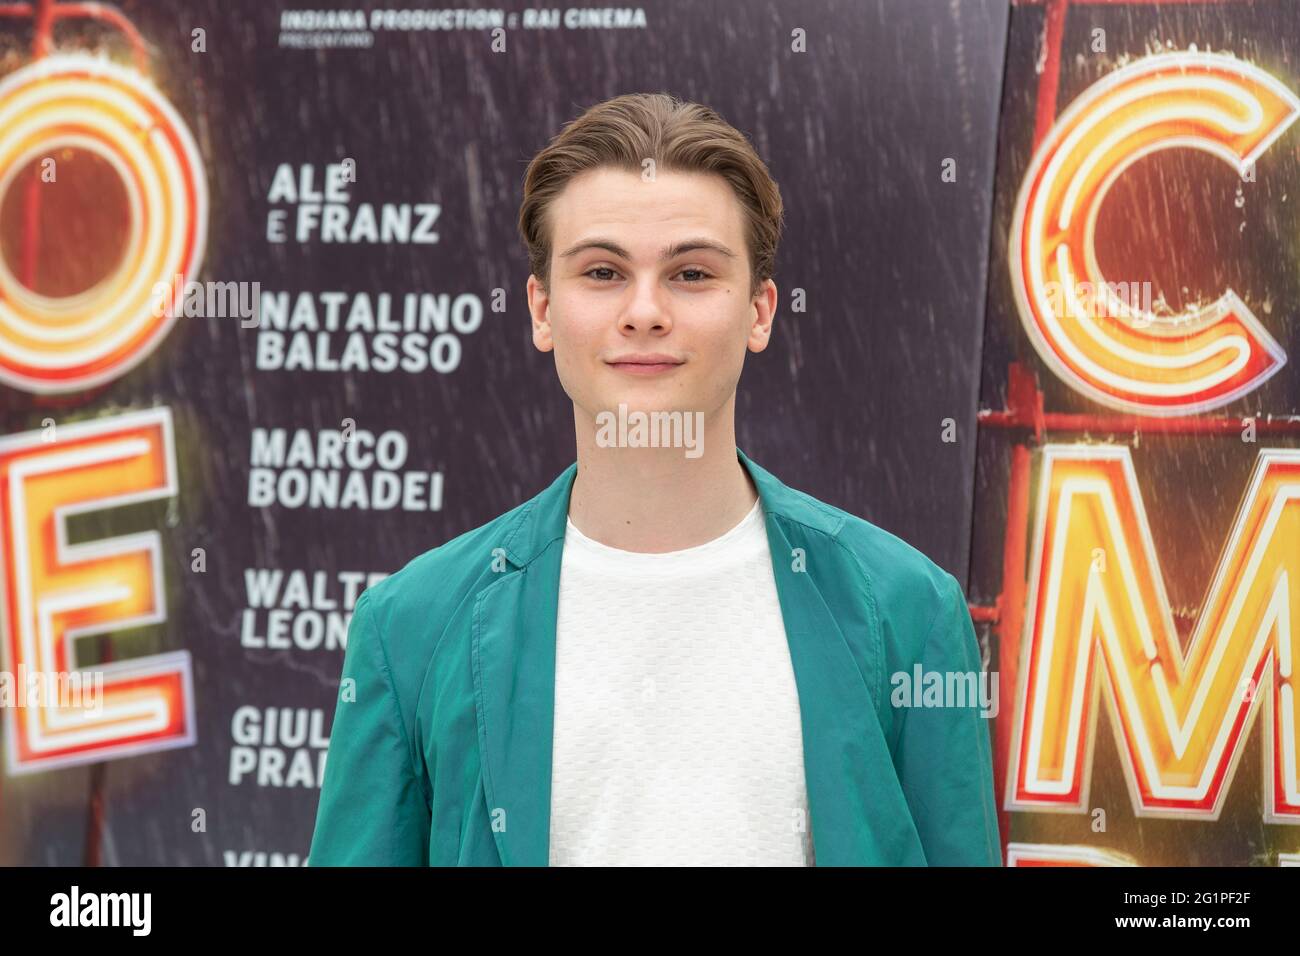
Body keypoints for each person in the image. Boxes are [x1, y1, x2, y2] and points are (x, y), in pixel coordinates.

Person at [308, 92, 1000, 866]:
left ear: (760, 311)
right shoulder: (412, 625)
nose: (644, 311)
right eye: (602, 271)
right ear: (542, 309)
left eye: (692, 273)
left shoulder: (907, 609)